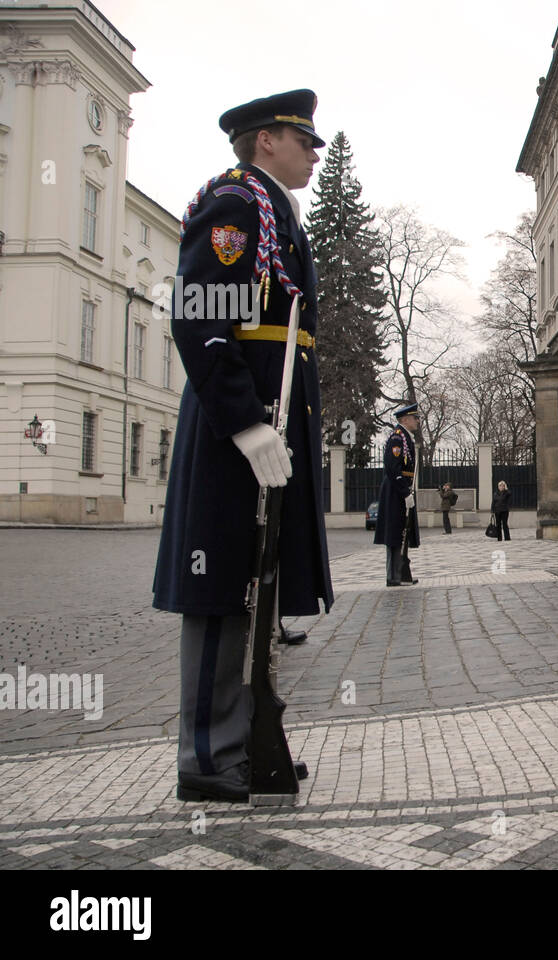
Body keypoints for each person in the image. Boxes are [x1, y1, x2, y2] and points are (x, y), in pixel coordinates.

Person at [152, 90, 331, 803]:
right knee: (222, 587)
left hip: (270, 417)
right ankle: (206, 755)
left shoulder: (272, 209)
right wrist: (245, 422)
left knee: (258, 586)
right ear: (265, 141)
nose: (314, 152)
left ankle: (244, 740)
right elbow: (200, 320)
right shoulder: (234, 204)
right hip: (240, 426)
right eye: (303, 138)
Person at [373, 403, 421, 587]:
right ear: (404, 420)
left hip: (402, 488)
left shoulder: (405, 437)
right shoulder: (397, 438)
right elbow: (393, 469)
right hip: (395, 490)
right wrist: (404, 492)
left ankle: (401, 573)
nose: (417, 421)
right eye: (414, 418)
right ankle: (393, 575)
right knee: (395, 533)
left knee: (403, 531)